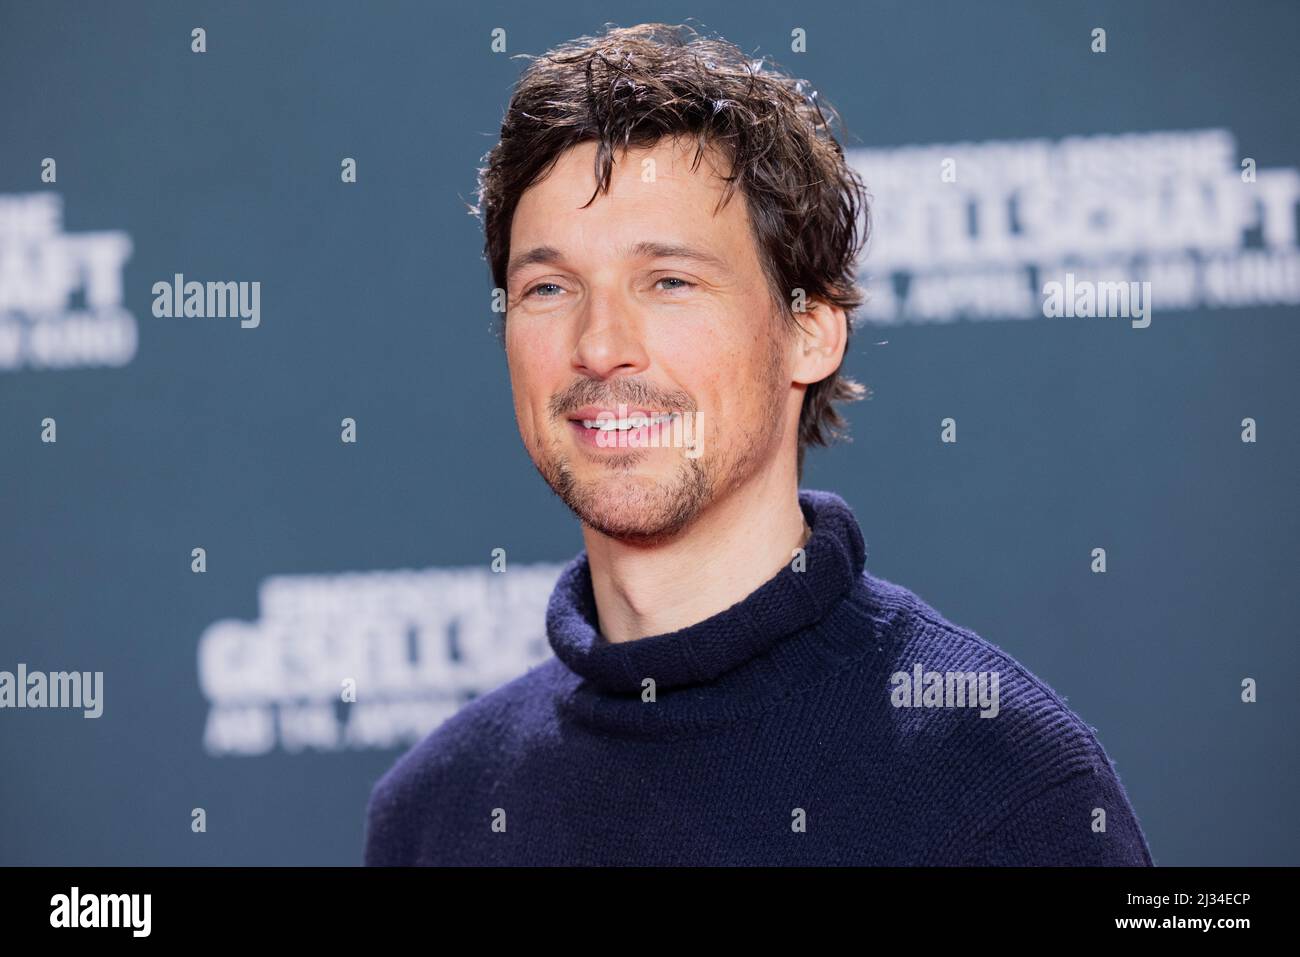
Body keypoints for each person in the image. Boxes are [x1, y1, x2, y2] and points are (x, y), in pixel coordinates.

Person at [363, 22, 1153, 866]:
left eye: (669, 282)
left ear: (810, 331)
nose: (598, 345)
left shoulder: (1003, 787)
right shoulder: (436, 810)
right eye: (549, 287)